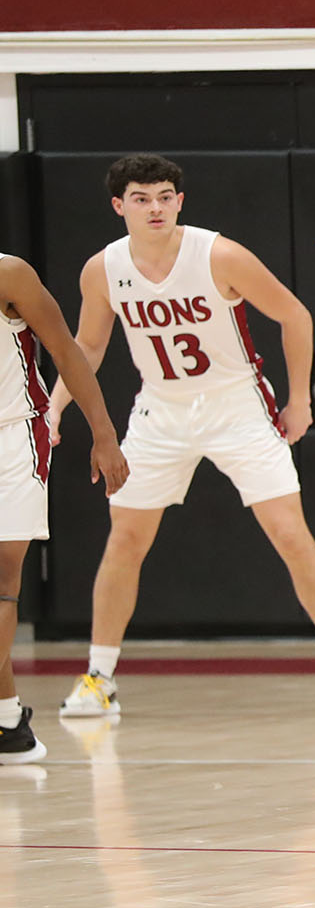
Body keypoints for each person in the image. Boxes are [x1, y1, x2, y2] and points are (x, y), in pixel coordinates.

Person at [46, 154, 315, 719]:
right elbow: (89, 346)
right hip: (160, 410)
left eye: (165, 197)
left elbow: (295, 315)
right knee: (125, 541)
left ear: (179, 201)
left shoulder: (219, 254)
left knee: (289, 533)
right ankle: (99, 677)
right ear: (119, 205)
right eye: (142, 198)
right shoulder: (102, 269)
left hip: (237, 406)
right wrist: (54, 407)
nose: (155, 208)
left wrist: (299, 400)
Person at [0, 251, 129, 764]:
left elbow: (66, 351)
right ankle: (8, 723)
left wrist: (104, 433)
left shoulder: (10, 273)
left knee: (3, 576)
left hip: (12, 437)